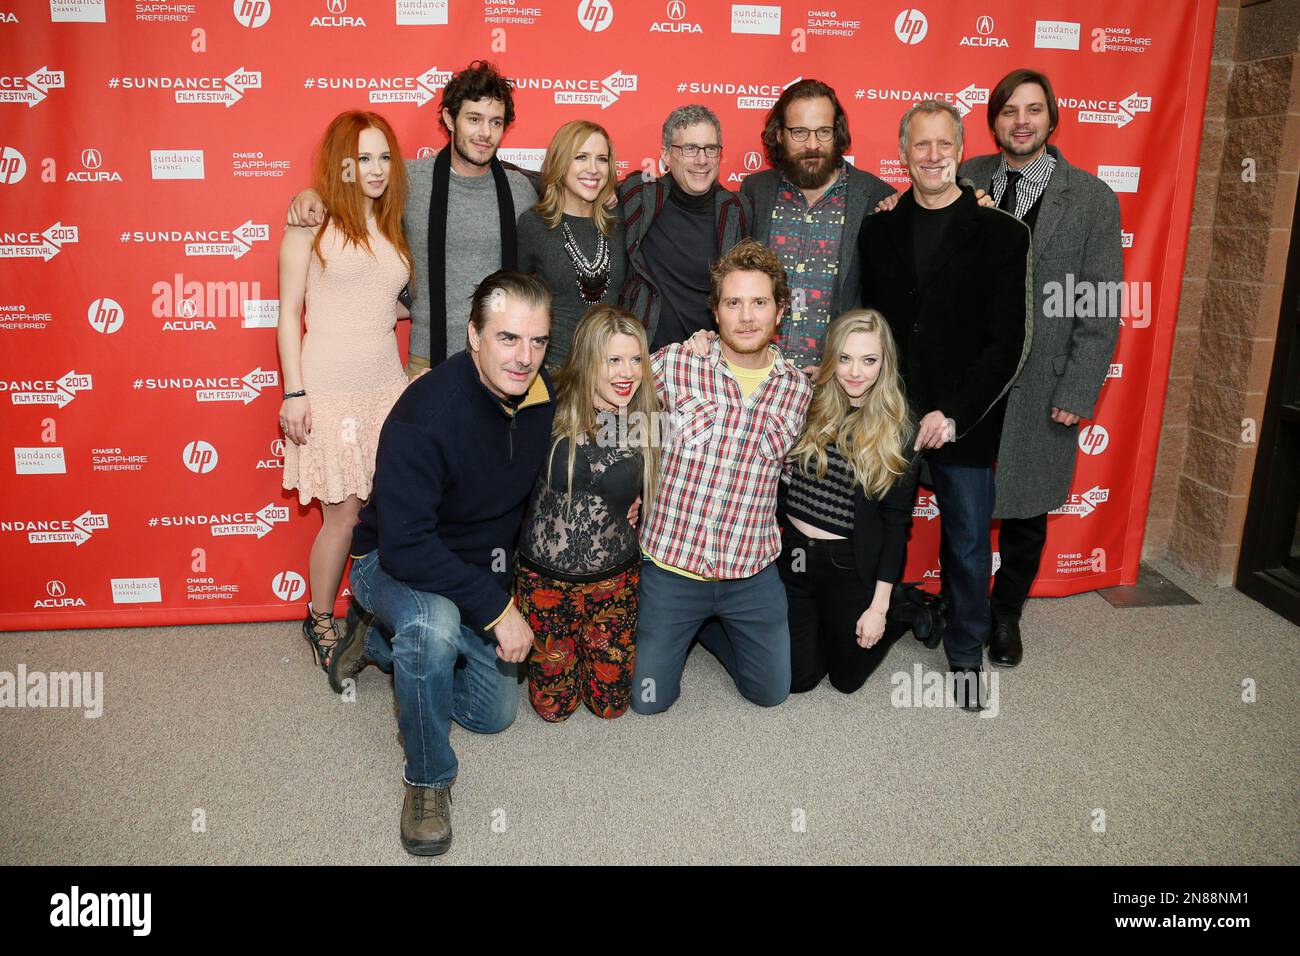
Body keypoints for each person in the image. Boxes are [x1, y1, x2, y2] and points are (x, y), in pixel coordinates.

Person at [331, 271, 554, 856]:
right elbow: (407, 546)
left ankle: (380, 646)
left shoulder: (538, 395)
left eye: (537, 342)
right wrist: (498, 608)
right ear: (473, 336)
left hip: (473, 570)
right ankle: (427, 782)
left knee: (493, 715)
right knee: (433, 625)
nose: (523, 357)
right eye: (507, 339)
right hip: (393, 562)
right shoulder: (426, 414)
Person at [858, 100, 1032, 710]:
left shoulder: (1003, 233)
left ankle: (965, 652)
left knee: (964, 541)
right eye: (920, 145)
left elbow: (1005, 341)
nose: (932, 156)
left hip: (966, 415)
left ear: (961, 151)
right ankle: (864, 628)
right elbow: (869, 326)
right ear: (903, 153)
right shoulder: (877, 227)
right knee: (877, 527)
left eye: (943, 145)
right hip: (889, 411)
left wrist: (954, 412)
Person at [960, 69, 1123, 667]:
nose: (1021, 121)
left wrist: (1080, 386)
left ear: (1052, 120)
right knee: (963, 497)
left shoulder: (1091, 198)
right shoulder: (966, 177)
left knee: (1026, 509)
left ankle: (1005, 614)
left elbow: (1101, 306)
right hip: (972, 379)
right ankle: (963, 605)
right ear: (994, 121)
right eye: (1009, 111)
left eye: (1033, 110)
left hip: (1043, 382)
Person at [631, 239, 812, 715]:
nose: (746, 316)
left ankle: (711, 628)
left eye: (759, 302)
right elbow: (616, 418)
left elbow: (793, 471)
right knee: (648, 701)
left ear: (780, 311)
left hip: (749, 570)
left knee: (770, 693)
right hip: (673, 563)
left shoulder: (797, 391)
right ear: (715, 311)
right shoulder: (674, 364)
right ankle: (692, 623)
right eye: (733, 303)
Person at [276, 110, 414, 685]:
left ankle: (373, 616)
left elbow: (384, 299)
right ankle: (318, 618)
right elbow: (287, 315)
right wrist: (295, 392)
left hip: (387, 384)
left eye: (385, 156)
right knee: (343, 517)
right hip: (330, 386)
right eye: (363, 157)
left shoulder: (391, 223)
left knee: (390, 508)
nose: (377, 168)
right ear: (342, 163)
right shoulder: (309, 226)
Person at [288, 61, 538, 376]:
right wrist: (312, 196)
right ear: (450, 118)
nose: (485, 133)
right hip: (427, 363)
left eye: (496, 122)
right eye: (474, 119)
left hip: (503, 364)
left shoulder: (520, 189)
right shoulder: (410, 179)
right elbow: (352, 186)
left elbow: (564, 192)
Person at [515, 305, 660, 721]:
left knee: (611, 707)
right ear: (588, 360)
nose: (626, 372)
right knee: (553, 710)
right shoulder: (547, 403)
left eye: (635, 360)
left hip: (613, 583)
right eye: (613, 360)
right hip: (546, 580)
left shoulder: (645, 417)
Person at [778, 310, 919, 694]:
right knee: (798, 680)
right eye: (845, 358)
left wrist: (879, 608)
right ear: (831, 359)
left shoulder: (900, 430)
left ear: (884, 363)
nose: (856, 372)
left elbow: (895, 527)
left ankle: (903, 608)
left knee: (846, 681)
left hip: (848, 565)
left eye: (869, 360)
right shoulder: (805, 402)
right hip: (794, 555)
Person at [743, 79, 894, 373]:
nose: (812, 145)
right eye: (799, 132)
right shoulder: (754, 191)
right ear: (779, 134)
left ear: (836, 134)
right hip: (762, 381)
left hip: (839, 386)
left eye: (823, 132)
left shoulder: (874, 197)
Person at [618, 104, 752, 350]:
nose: (702, 160)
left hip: (712, 360)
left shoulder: (736, 209)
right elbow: (574, 182)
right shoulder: (639, 194)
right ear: (667, 155)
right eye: (690, 148)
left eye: (710, 149)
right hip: (647, 359)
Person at [517, 121, 627, 367]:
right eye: (581, 157)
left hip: (612, 370)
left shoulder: (620, 221)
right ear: (561, 162)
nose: (593, 169)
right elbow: (515, 298)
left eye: (601, 159)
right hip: (555, 371)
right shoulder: (534, 224)